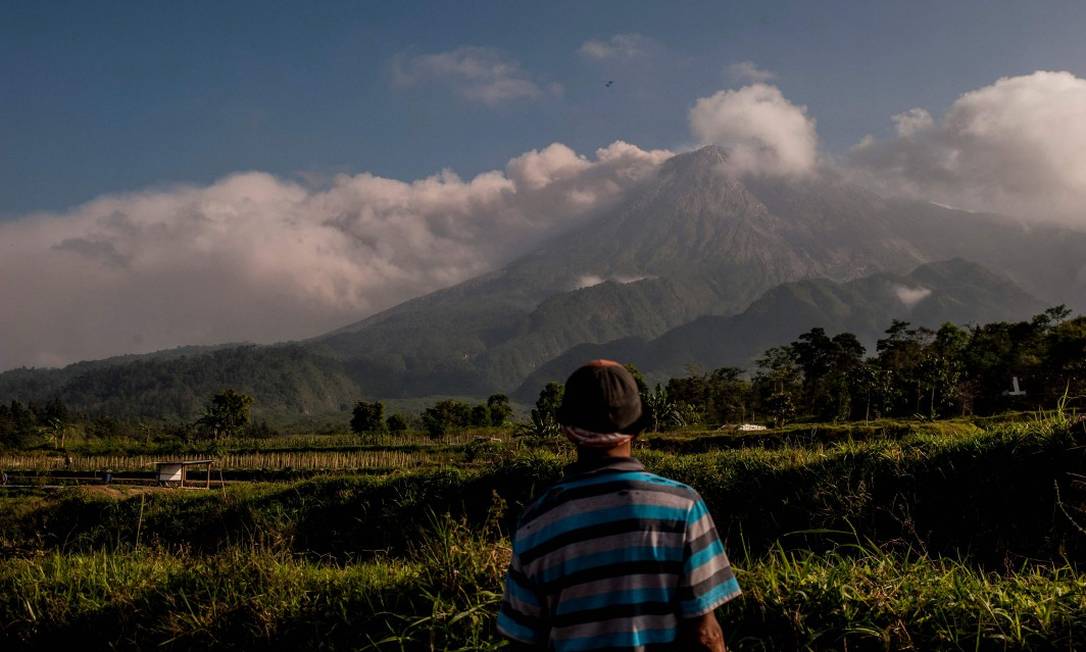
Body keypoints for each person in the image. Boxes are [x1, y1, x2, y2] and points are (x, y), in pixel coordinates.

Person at [498, 360, 741, 651]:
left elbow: (522, 640)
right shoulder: (684, 506)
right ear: (638, 429)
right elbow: (705, 635)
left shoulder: (536, 522)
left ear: (567, 430)